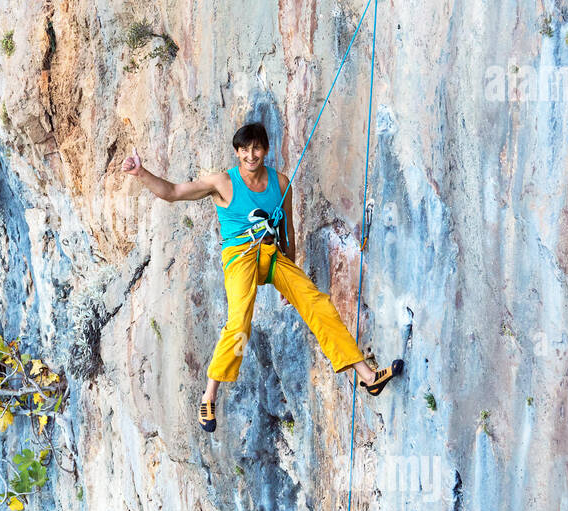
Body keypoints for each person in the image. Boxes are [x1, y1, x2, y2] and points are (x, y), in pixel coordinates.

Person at [120, 121, 402, 432]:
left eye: (257, 148)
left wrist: (290, 273)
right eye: (245, 149)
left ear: (265, 150)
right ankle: (209, 394)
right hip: (240, 258)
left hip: (272, 256)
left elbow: (288, 229)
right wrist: (140, 173)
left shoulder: (281, 184)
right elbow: (173, 192)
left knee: (317, 304)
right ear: (237, 152)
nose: (251, 154)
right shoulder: (223, 183)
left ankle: (368, 376)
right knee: (239, 321)